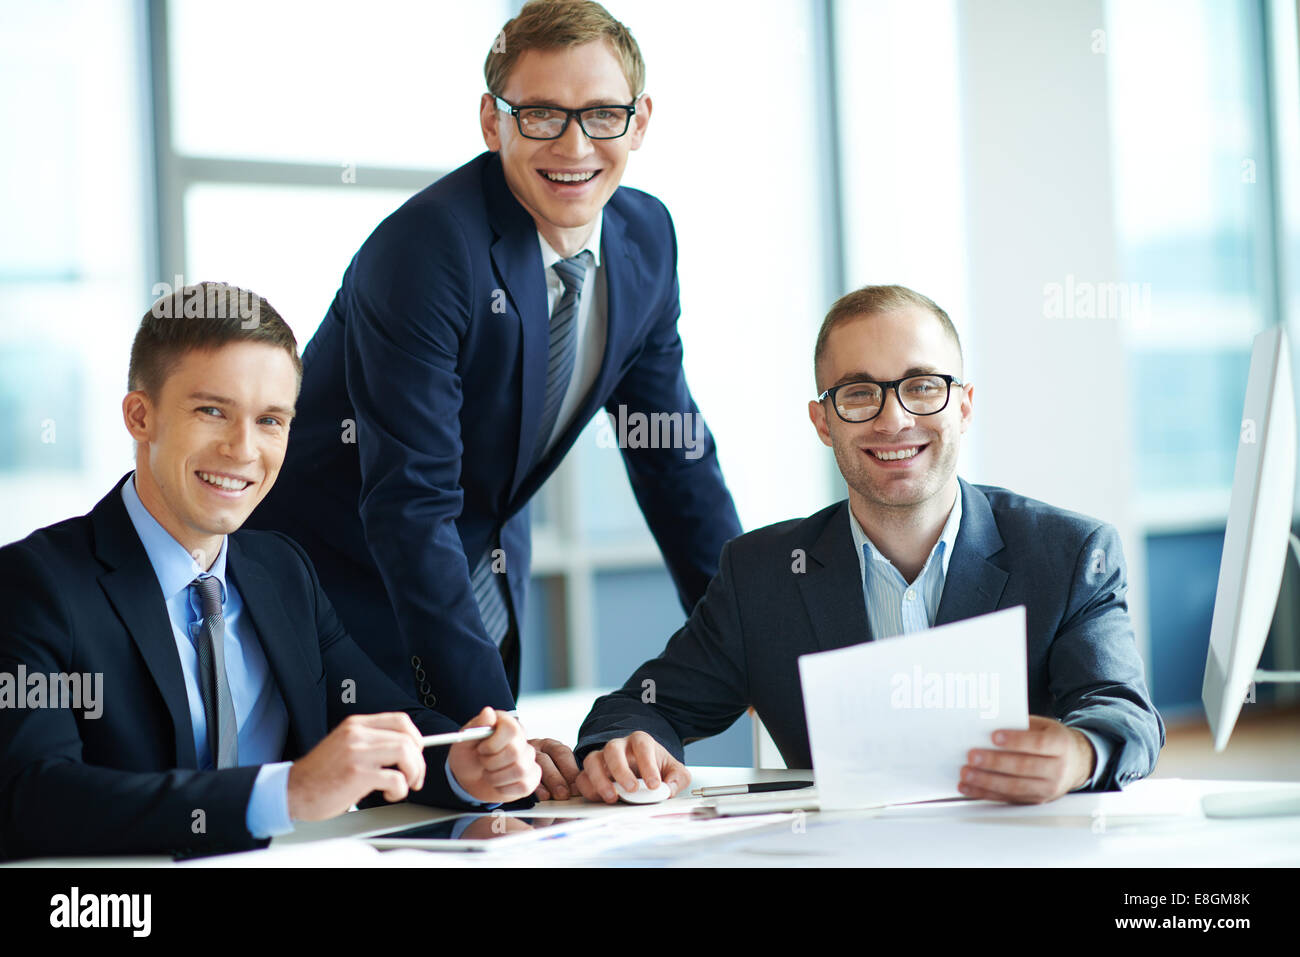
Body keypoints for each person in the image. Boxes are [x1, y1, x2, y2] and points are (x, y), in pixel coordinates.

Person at [248, 0, 741, 801]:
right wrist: (495, 727)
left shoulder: (647, 239)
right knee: (382, 826)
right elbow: (410, 507)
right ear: (492, 120)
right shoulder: (426, 251)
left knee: (501, 827)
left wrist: (754, 641)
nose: (575, 146)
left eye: (603, 115)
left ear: (641, 120)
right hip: (337, 594)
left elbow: (675, 462)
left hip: (478, 581)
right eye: (541, 114)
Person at [0, 283, 540, 860]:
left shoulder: (281, 570)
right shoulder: (34, 586)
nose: (242, 450)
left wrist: (463, 764)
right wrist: (288, 792)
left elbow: (385, 724)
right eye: (212, 411)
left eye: (270, 421)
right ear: (140, 415)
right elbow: (33, 797)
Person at [572, 284, 1165, 806]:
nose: (893, 419)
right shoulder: (761, 575)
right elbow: (641, 706)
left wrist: (1081, 753)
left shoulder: (1068, 554)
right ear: (823, 421)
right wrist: (626, 746)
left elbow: (1123, 712)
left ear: (963, 406)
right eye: (859, 394)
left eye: (922, 386)